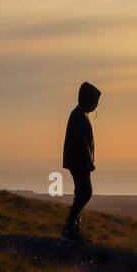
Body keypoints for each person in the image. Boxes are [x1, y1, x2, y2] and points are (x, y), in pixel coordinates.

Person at [60, 82, 101, 242]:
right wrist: (88, 161)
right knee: (85, 193)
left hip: (78, 161)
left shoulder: (80, 114)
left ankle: (74, 227)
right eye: (95, 101)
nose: (96, 105)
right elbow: (81, 141)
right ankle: (69, 227)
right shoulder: (78, 115)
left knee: (82, 193)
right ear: (88, 100)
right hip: (79, 161)